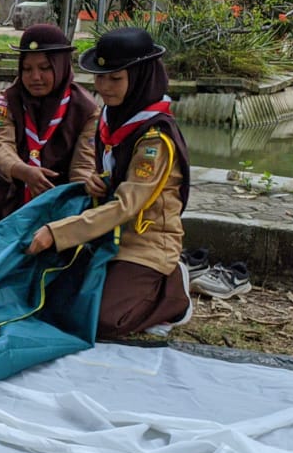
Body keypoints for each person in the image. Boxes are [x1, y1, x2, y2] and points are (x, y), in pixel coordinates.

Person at [27, 27, 192, 340]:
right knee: (52, 295)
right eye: (100, 78)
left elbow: (127, 206)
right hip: (105, 233)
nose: (104, 87)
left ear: (140, 78)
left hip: (143, 241)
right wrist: (98, 180)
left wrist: (58, 232)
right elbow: (114, 172)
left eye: (115, 79)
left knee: (103, 321)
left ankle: (172, 294)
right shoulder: (113, 116)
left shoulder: (155, 138)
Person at [0, 24, 98, 241]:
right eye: (27, 69)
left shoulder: (86, 109)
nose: (35, 76)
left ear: (61, 66)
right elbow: (0, 145)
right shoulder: (7, 100)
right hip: (13, 177)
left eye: (45, 68)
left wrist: (75, 196)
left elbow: (83, 165)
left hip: (56, 183)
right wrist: (23, 171)